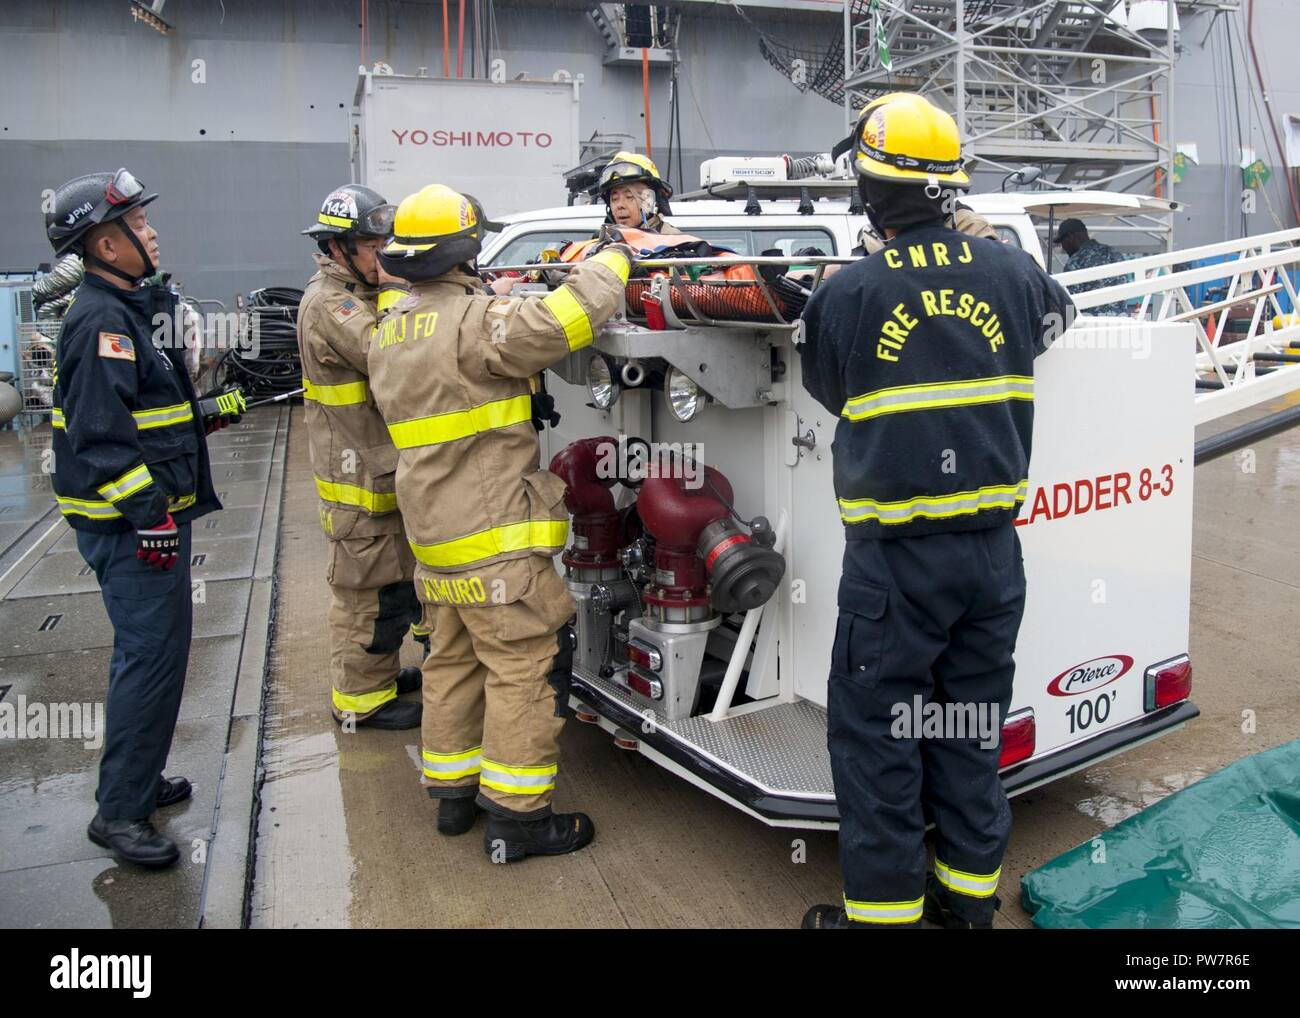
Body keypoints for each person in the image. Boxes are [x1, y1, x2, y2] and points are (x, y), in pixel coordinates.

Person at [798, 94, 1075, 929]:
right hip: (992, 560)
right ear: (952, 188)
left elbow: (828, 388)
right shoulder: (1015, 274)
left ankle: (884, 920)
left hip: (897, 566)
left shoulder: (848, 294)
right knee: (968, 731)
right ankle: (966, 906)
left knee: (881, 744)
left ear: (870, 191)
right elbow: (1056, 317)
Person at [366, 184, 634, 858]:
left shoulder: (389, 329)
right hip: (492, 542)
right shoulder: (477, 323)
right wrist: (613, 261)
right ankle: (519, 819)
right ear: (464, 249)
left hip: (435, 540)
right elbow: (563, 323)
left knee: (452, 659)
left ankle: (453, 798)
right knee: (521, 665)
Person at [45, 169, 227, 868]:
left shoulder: (130, 310)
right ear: (104, 245)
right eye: (137, 226)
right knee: (149, 662)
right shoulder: (100, 321)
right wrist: (151, 516)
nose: (151, 232)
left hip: (143, 523)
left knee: (159, 658)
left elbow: (146, 414)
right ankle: (119, 813)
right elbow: (99, 434)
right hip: (131, 532)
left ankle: (141, 778)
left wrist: (205, 417)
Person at [297, 184, 424, 730]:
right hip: (356, 483)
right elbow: (388, 353)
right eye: (374, 246)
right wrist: (398, 289)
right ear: (337, 248)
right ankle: (360, 701)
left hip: (377, 470)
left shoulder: (355, 289)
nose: (385, 255)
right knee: (364, 594)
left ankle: (383, 674)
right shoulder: (332, 304)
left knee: (391, 586)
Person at [596, 151, 680, 234]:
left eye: (629, 197)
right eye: (614, 199)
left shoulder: (671, 240)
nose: (620, 205)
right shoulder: (605, 241)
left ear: (648, 201)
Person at [1056, 218, 1128, 315]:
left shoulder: (1076, 262)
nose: (1063, 248)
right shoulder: (1114, 253)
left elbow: (1069, 303)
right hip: (1122, 321)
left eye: (1062, 242)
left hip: (1091, 325)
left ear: (1070, 237)